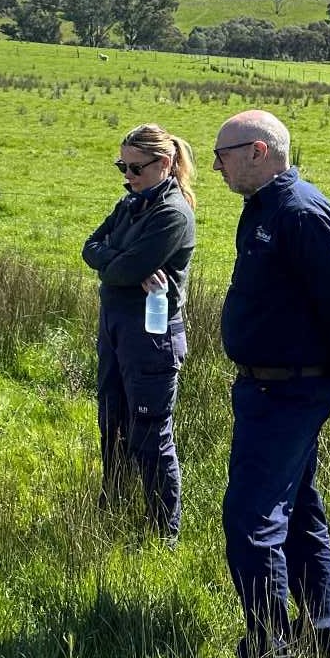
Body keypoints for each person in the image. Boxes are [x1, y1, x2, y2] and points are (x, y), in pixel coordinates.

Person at [214, 109, 330, 658]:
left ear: (260, 152)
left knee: (251, 521)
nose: (215, 162)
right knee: (298, 516)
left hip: (291, 390)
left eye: (224, 152)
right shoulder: (262, 211)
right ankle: (324, 635)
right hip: (265, 388)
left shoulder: (301, 213)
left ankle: (270, 654)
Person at [81, 124, 197, 540]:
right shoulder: (131, 203)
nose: (127, 177)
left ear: (164, 164)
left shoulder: (172, 214)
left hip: (151, 337)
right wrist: (116, 262)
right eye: (122, 167)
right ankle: (112, 506)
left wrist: (114, 263)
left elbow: (124, 268)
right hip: (115, 327)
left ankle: (163, 531)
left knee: (150, 433)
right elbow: (90, 247)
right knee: (111, 422)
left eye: (135, 168)